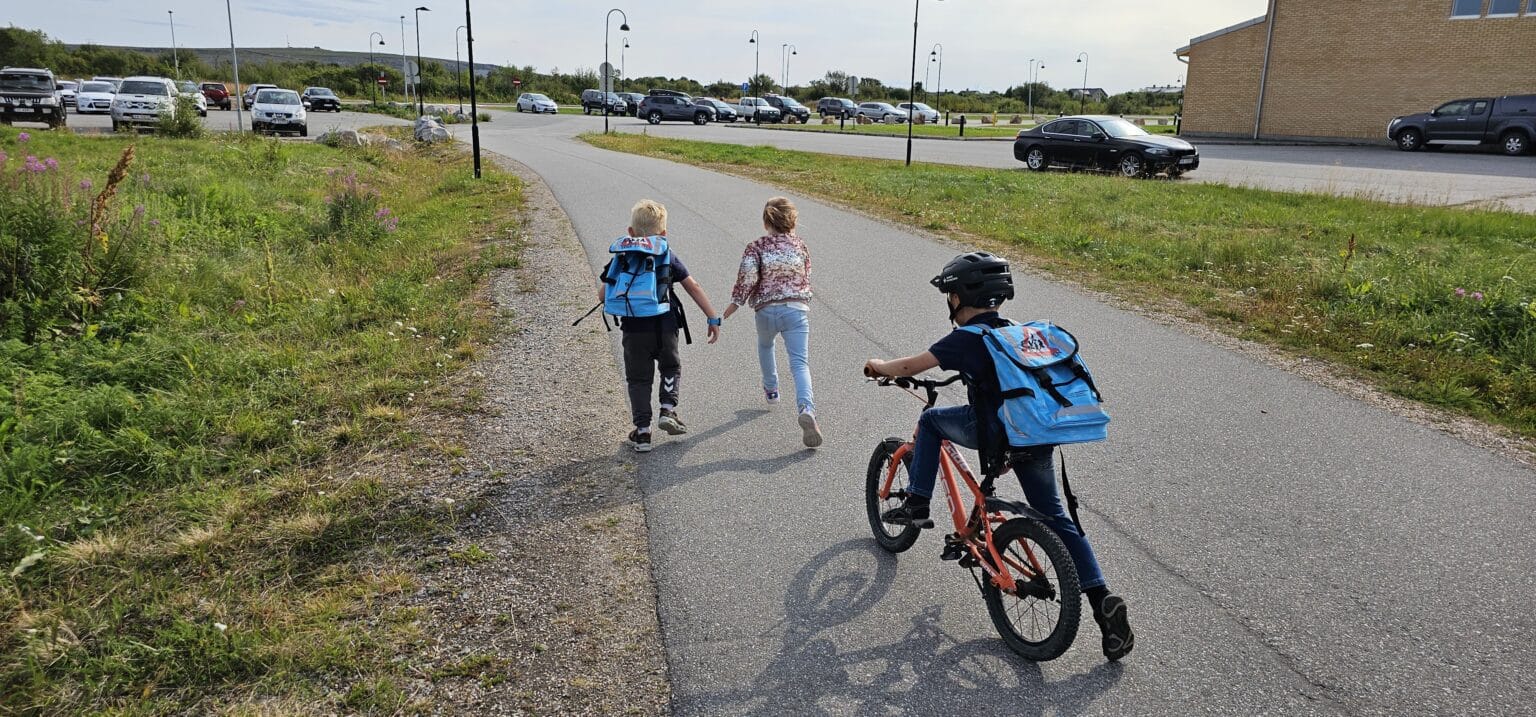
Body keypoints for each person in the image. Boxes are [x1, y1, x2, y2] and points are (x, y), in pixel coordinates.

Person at [861, 252, 1134, 661]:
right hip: (1035, 433)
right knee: (1057, 516)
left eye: (950, 294)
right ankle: (1100, 598)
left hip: (994, 430)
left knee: (934, 420)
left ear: (958, 297)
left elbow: (909, 366)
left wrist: (878, 366)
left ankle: (916, 503)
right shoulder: (1015, 333)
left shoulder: (967, 338)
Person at [600, 199, 721, 453]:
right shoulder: (666, 253)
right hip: (666, 325)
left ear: (630, 233)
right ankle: (668, 409)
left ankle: (642, 432)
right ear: (664, 233)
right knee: (670, 366)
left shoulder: (623, 256)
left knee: (638, 379)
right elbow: (693, 286)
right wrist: (711, 317)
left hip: (634, 330)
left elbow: (602, 294)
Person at [722, 197, 822, 447]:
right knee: (800, 363)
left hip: (766, 310)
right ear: (793, 220)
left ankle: (772, 390)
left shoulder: (756, 247)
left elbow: (747, 276)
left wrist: (735, 302)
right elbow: (806, 273)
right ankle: (806, 408)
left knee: (766, 345)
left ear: (766, 220)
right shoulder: (800, 246)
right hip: (796, 309)